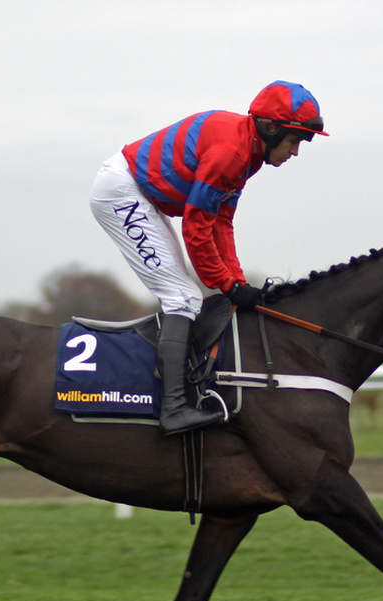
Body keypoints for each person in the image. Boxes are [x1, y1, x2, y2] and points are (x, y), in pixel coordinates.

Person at [90, 80, 328, 436]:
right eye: (296, 141)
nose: (295, 152)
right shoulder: (231, 152)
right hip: (122, 192)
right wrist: (228, 284)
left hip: (141, 194)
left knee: (187, 295)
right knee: (182, 297)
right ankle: (173, 409)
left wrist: (238, 280)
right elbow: (197, 228)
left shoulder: (249, 152)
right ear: (272, 128)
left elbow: (222, 222)